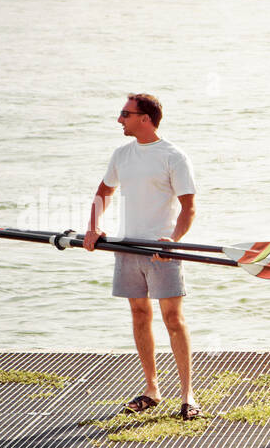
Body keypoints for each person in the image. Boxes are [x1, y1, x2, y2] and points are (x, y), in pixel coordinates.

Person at [85, 93, 200, 420]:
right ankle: (152, 389)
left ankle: (188, 394)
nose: (119, 119)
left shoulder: (173, 156)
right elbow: (103, 192)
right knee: (138, 313)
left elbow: (189, 207)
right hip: (126, 246)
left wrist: (173, 240)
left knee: (173, 320)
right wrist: (93, 228)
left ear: (145, 119)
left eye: (125, 114)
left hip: (161, 250)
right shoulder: (122, 154)